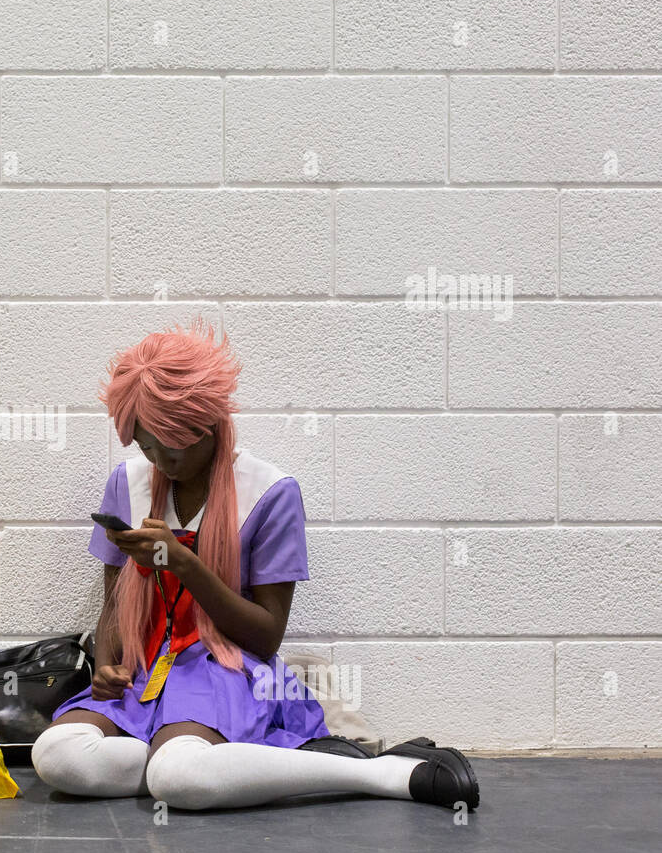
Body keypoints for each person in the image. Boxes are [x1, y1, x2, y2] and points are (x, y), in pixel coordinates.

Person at [31, 317, 480, 811]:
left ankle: (381, 773)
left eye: (171, 443)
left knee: (180, 778)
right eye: (145, 445)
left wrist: (185, 563)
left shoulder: (270, 492)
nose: (160, 460)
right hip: (145, 669)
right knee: (57, 756)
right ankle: (192, 762)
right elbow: (115, 601)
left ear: (207, 423)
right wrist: (108, 664)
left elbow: (265, 637)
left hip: (225, 668)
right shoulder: (129, 481)